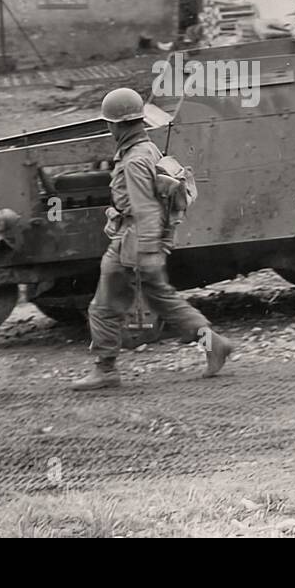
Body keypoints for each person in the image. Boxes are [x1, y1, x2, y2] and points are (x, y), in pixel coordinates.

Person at [71, 88, 234, 389]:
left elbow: (145, 208)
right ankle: (213, 343)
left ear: (118, 125)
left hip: (132, 243)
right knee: (162, 298)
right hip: (141, 240)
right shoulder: (148, 150)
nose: (109, 129)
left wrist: (147, 253)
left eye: (109, 123)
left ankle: (105, 369)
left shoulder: (134, 160)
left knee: (104, 306)